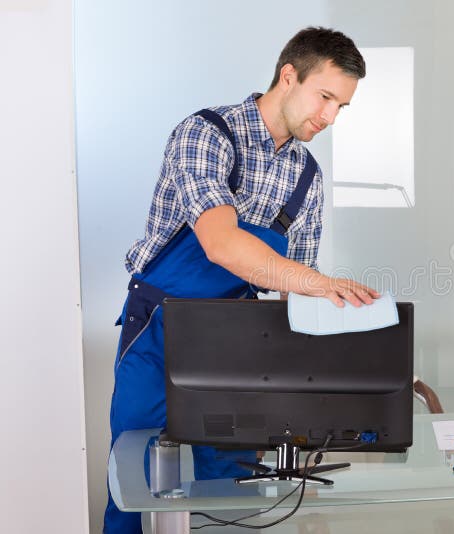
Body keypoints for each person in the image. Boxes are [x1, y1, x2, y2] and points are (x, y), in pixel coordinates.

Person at [104, 27, 378, 533]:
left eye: (342, 106)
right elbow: (221, 244)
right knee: (134, 481)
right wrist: (320, 283)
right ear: (288, 76)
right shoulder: (206, 134)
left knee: (234, 489)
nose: (330, 117)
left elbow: (292, 286)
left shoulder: (306, 176)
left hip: (236, 343)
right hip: (158, 331)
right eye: (325, 97)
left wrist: (325, 385)